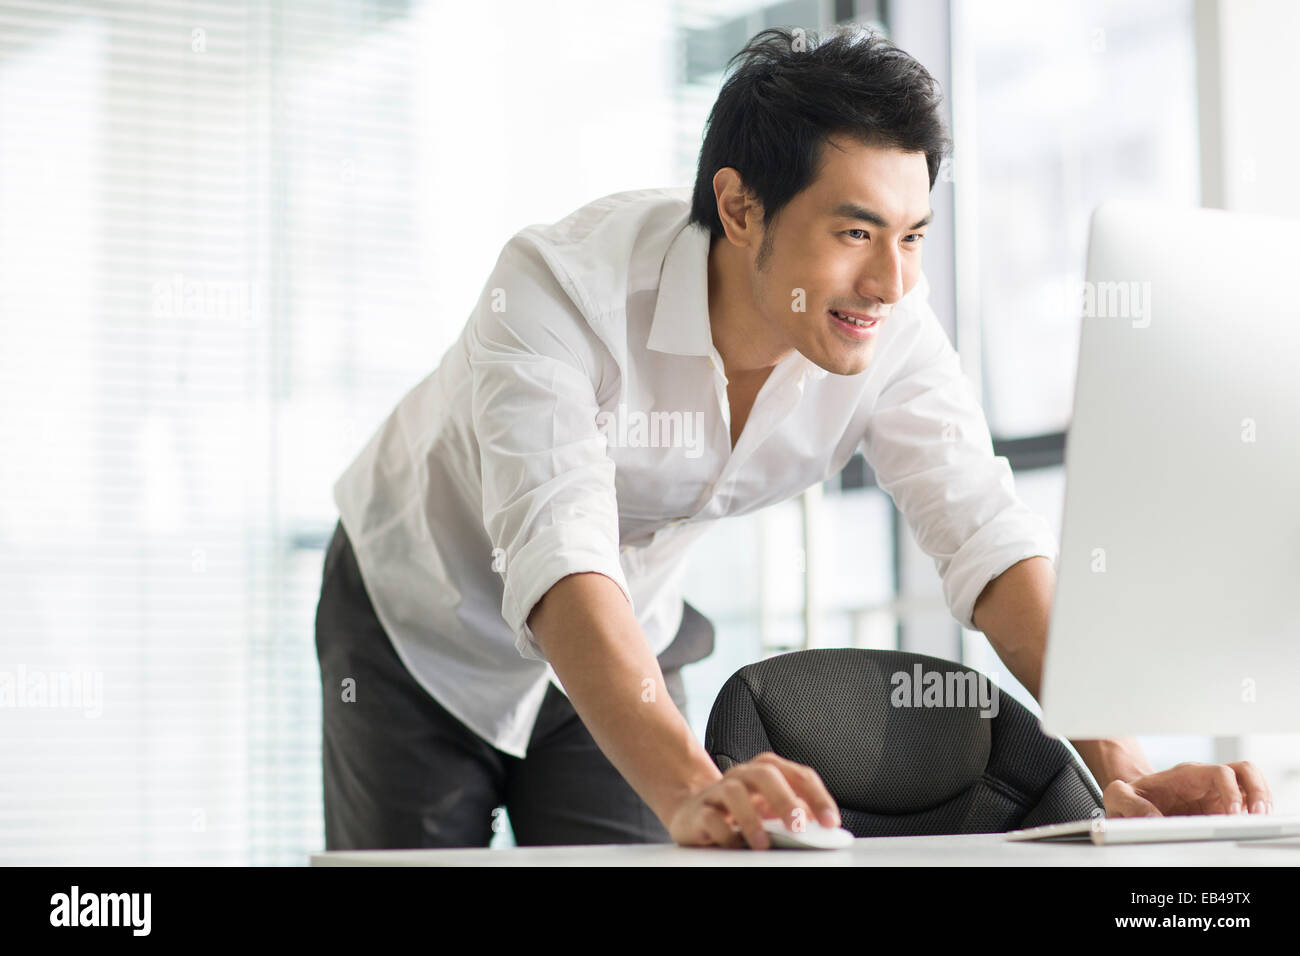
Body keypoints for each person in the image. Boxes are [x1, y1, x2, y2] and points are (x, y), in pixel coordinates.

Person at [315, 25, 1272, 852]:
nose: (892, 282)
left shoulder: (886, 323)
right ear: (739, 209)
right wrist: (691, 785)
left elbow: (986, 534)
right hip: (417, 623)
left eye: (913, 235)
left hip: (616, 645)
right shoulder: (559, 291)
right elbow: (559, 551)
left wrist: (1119, 770)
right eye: (856, 233)